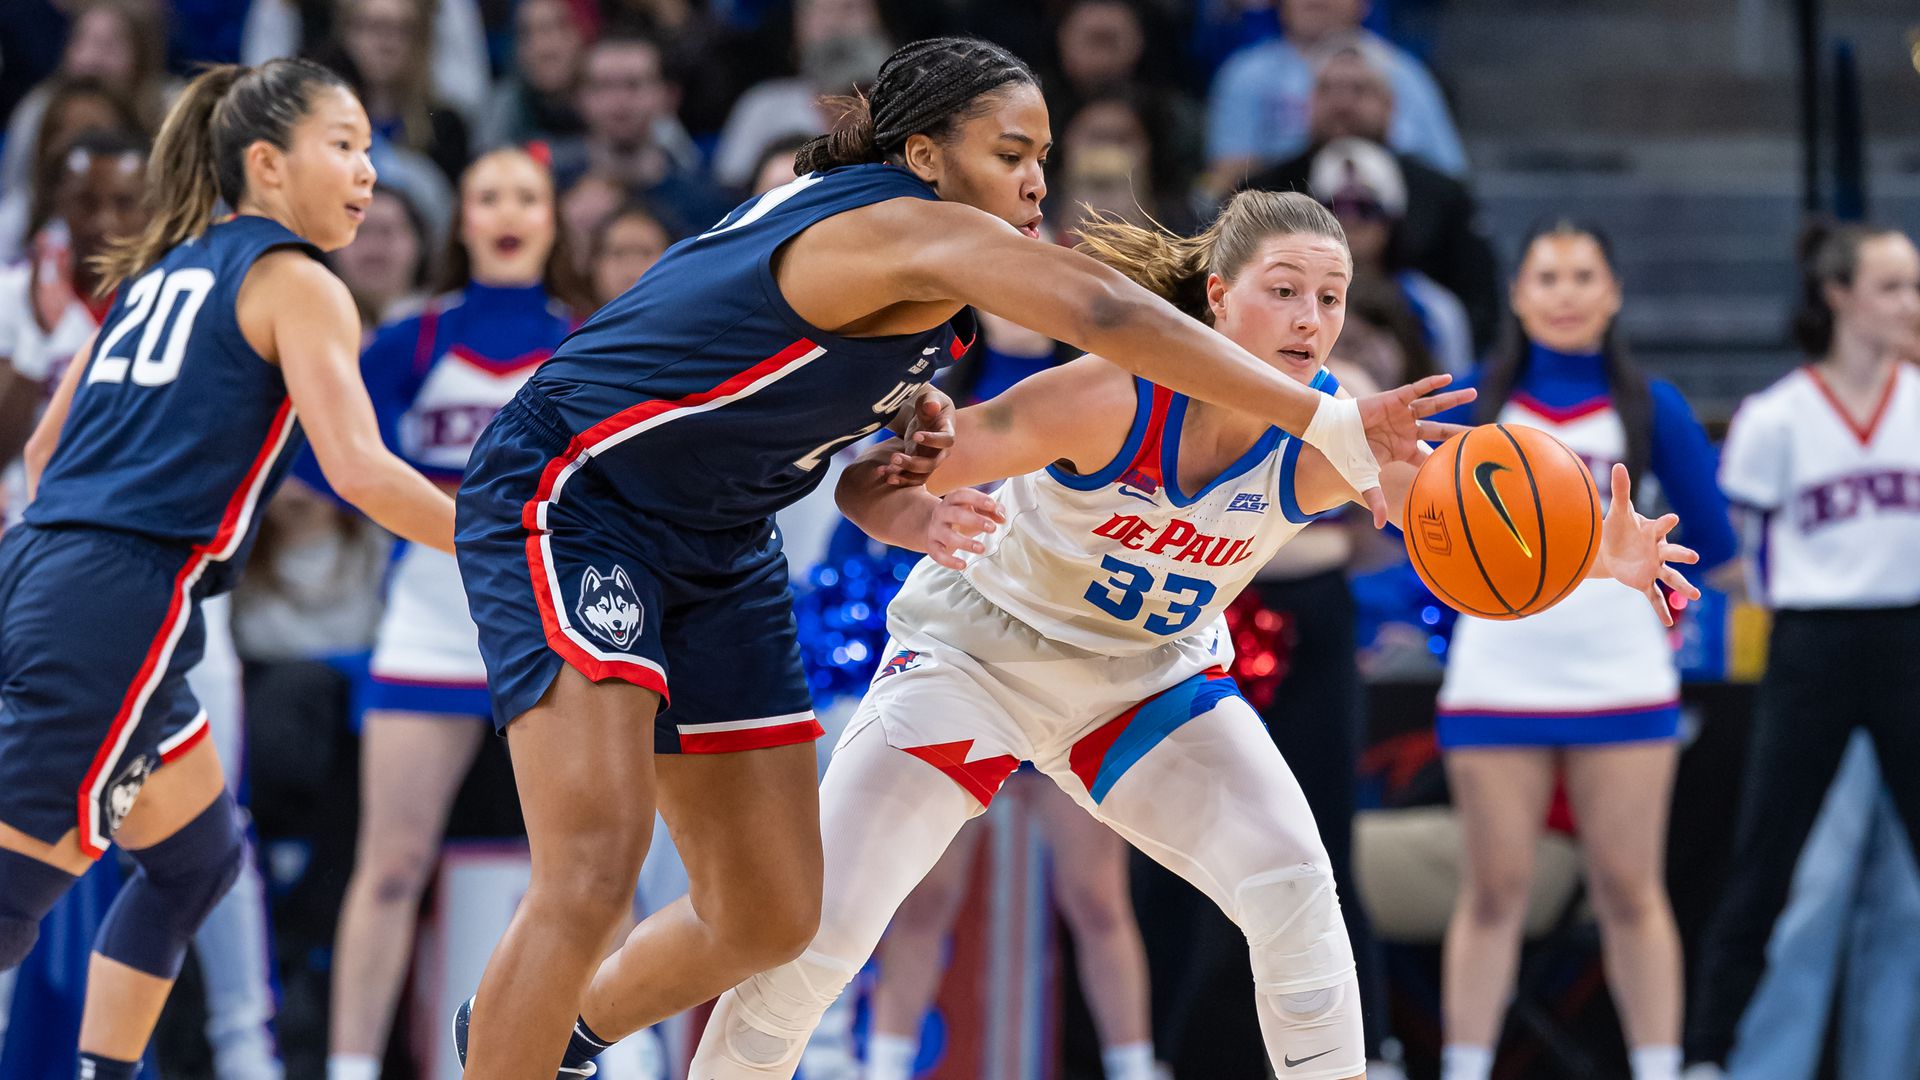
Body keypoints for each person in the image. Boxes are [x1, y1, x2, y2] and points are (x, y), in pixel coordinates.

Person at [444, 36, 1465, 1080]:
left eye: (1044, 155)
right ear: (925, 154)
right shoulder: (900, 232)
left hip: (732, 543)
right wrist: (1322, 415)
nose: (1035, 178)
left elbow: (866, 472)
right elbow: (1102, 310)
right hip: (588, 493)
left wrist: (902, 506)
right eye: (1009, 150)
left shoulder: (935, 312)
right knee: (597, 871)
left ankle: (552, 1028)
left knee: (769, 915)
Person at [686, 189, 1696, 1080]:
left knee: (1298, 893)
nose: (1312, 320)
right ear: (1216, 295)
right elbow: (874, 478)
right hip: (979, 663)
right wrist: (900, 512)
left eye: (1332, 299)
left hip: (1145, 685)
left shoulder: (1327, 428)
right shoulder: (1107, 392)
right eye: (1285, 290)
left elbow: (1461, 521)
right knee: (815, 941)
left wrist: (1588, 556)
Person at [0, 57, 457, 1078]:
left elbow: (39, 457)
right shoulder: (294, 279)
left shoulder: (157, 271)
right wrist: (511, 540)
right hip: (119, 598)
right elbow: (360, 472)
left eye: (371, 152)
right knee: (12, 898)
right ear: (266, 162)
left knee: (192, 863)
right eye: (343, 146)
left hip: (42, 567)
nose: (368, 174)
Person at [1431, 221, 1736, 1080]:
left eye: (1583, 276)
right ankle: (1464, 1065)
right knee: (1493, 893)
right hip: (1496, 672)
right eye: (1547, 277)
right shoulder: (1473, 409)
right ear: (1520, 297)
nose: (1565, 293)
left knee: (1630, 892)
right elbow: (1425, 542)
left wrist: (1663, 577)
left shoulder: (1654, 408)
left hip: (1623, 671)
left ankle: (1660, 1066)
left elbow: (1711, 546)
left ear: (1613, 294)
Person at [323, 146, 585, 1080]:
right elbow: (323, 451)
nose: (508, 213)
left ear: (553, 218)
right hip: (428, 623)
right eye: (487, 198)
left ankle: (602, 1060)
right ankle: (350, 1067)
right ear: (462, 220)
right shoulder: (413, 339)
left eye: (526, 196)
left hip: (554, 630)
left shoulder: (589, 338)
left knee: (585, 878)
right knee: (388, 866)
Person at [1685, 222, 1920, 1076]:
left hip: (1910, 641)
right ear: (1839, 294)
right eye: (1892, 286)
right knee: (1770, 863)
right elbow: (1736, 560)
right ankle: (1711, 1055)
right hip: (1812, 645)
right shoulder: (1775, 416)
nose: (1910, 305)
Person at [1244, 46, 1499, 350]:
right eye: (1328, 89)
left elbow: (1478, 303)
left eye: (1359, 90)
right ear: (1308, 104)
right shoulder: (1262, 194)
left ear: (1390, 105)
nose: (1342, 103)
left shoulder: (1443, 195)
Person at [1206, 0, 1466, 187]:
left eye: (1359, 89)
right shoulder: (1244, 74)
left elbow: (1451, 175)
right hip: (1286, 214)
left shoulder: (1403, 74)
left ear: (1364, 4)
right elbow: (1227, 178)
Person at [1309, 137, 1474, 374]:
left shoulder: (1434, 309)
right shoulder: (1292, 299)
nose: (1349, 221)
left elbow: (1453, 391)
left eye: (1364, 208)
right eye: (1334, 208)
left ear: (1391, 219)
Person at [324, 0, 471, 183]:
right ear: (347, 33)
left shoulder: (445, 129)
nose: (386, 44)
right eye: (374, 27)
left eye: (402, 30)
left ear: (421, 41)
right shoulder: (320, 122)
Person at [476, 0, 591, 152]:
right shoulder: (504, 107)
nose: (541, 48)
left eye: (553, 29)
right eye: (526, 35)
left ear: (581, 34)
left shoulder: (609, 93)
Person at [325, 183, 433, 327]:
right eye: (359, 232)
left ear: (421, 242)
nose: (373, 246)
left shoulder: (448, 325)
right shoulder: (310, 327)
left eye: (386, 231)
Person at [589, 203, 672, 307]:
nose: (631, 265)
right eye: (618, 253)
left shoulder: (693, 321)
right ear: (594, 262)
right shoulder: (568, 321)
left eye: (645, 253)